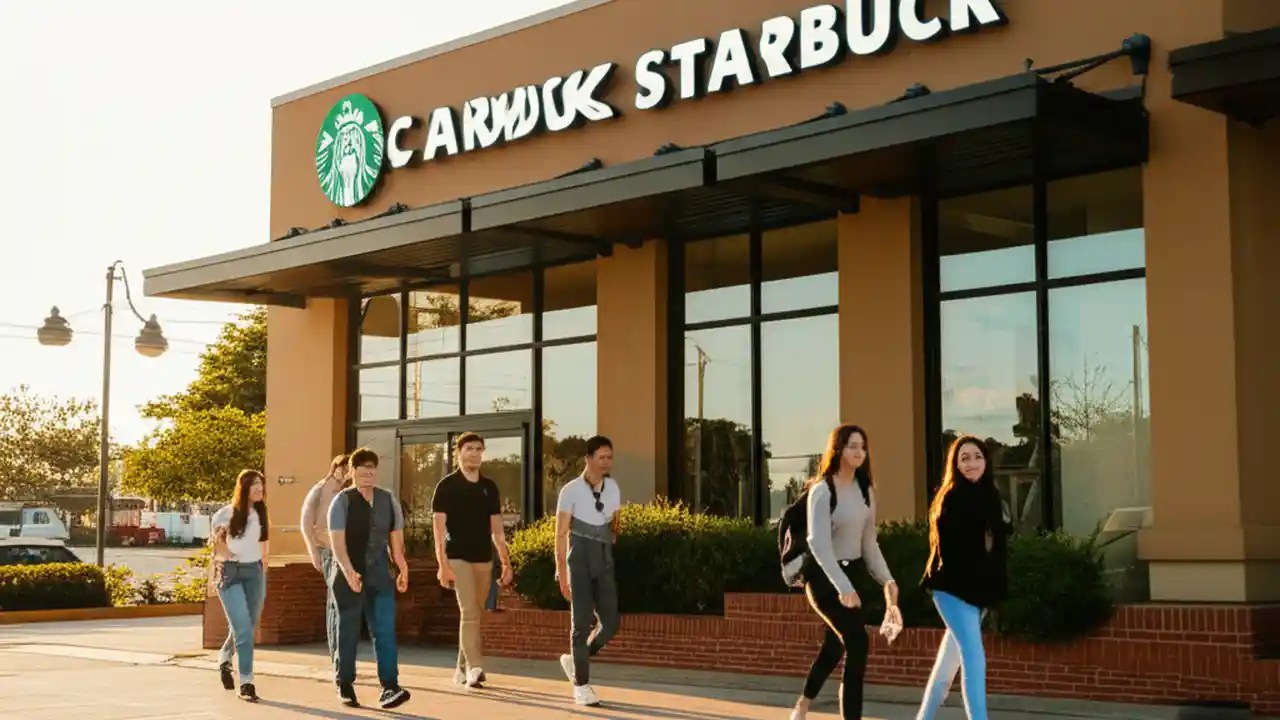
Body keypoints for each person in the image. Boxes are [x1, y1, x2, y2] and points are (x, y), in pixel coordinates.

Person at [791, 424, 899, 720]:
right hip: (825, 580)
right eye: (852, 445)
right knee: (857, 642)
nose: (858, 452)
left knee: (835, 645)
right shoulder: (822, 490)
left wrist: (887, 580)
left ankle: (803, 702)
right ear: (838, 449)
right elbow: (819, 544)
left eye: (862, 446)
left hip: (853, 575)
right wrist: (843, 588)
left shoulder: (865, 490)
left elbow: (869, 543)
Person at [916, 435, 1009, 720]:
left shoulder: (992, 497)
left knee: (948, 663)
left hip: (979, 590)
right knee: (973, 656)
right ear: (955, 464)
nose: (971, 463)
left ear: (986, 461)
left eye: (977, 457)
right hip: (952, 589)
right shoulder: (952, 497)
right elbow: (953, 553)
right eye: (964, 458)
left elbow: (999, 547)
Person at [327, 447, 411, 710]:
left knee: (384, 629)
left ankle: (390, 687)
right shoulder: (342, 501)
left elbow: (396, 542)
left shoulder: (388, 499)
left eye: (372, 469)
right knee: (348, 629)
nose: (368, 474)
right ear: (352, 472)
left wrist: (402, 567)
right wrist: (349, 571)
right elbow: (337, 544)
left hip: (379, 575)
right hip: (348, 573)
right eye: (363, 469)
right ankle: (345, 684)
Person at [430, 431, 513, 688]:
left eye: (479, 449)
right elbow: (438, 532)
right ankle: (476, 666)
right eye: (469, 449)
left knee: (476, 613)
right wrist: (443, 565)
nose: (475, 453)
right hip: (457, 557)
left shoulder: (489, 488)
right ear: (459, 453)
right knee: (469, 611)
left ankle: (461, 669)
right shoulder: (446, 487)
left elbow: (497, 530)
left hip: (483, 559)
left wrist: (506, 561)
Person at [554, 436, 621, 708]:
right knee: (580, 625)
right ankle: (581, 685)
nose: (606, 462)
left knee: (610, 623)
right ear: (588, 458)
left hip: (604, 560)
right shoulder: (570, 491)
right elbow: (560, 534)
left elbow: (615, 523)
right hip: (579, 561)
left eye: (610, 457)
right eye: (601, 457)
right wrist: (561, 570)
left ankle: (574, 659)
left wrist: (610, 535)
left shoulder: (613, 488)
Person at [211, 469, 270, 703]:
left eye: (261, 484)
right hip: (230, 573)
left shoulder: (261, 514)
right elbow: (217, 551)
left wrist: (263, 570)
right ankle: (246, 682)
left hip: (254, 572)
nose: (259, 488)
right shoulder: (224, 515)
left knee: (248, 625)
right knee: (243, 629)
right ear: (243, 487)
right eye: (255, 484)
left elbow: (264, 546)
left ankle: (225, 655)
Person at [299, 453, 349, 679]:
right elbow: (306, 521)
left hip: (346, 550)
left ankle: (342, 656)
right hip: (327, 550)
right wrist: (313, 551)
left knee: (342, 602)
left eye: (348, 467)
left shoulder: (350, 491)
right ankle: (335, 656)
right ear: (334, 467)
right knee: (334, 602)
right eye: (341, 467)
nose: (344, 471)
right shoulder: (321, 488)